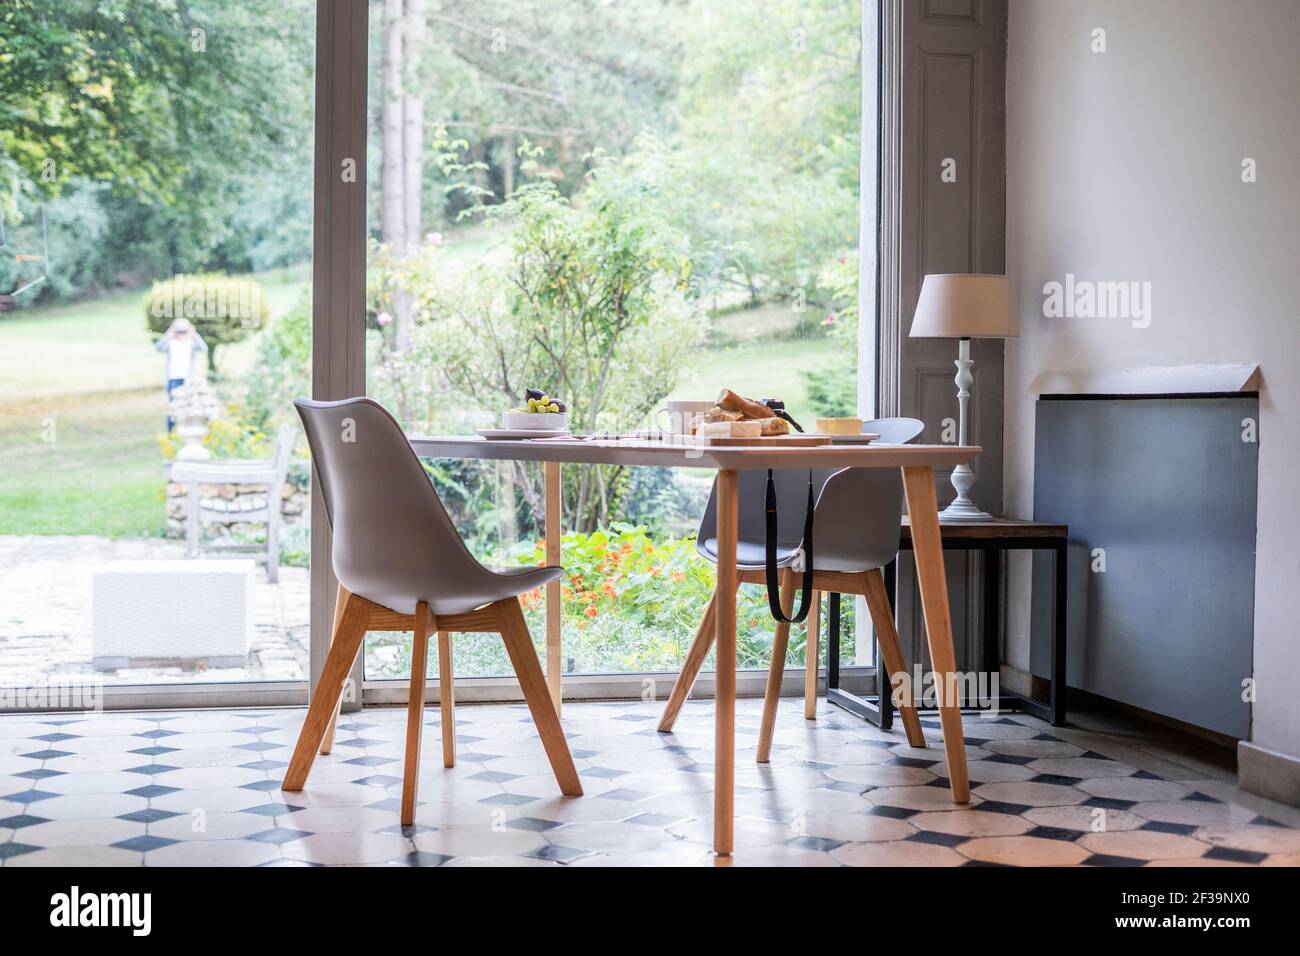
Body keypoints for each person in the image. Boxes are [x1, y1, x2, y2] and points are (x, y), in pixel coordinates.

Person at [154, 319, 209, 431]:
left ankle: (188, 429)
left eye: (183, 331)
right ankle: (172, 431)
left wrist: (194, 334)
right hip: (173, 378)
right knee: (173, 407)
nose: (181, 334)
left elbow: (204, 348)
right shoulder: (171, 342)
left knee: (190, 406)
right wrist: (168, 335)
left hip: (189, 379)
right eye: (179, 331)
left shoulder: (191, 342)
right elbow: (158, 348)